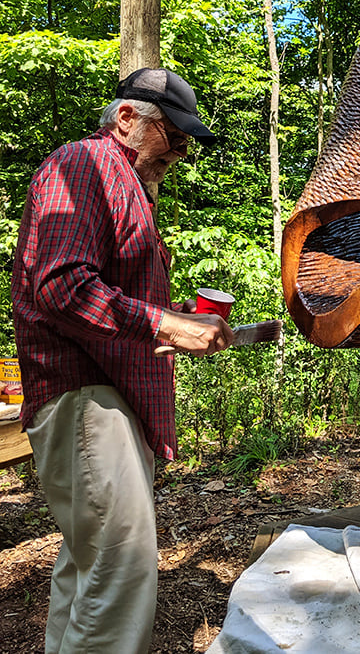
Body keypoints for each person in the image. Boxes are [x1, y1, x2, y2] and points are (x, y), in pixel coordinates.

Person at [11, 67, 233, 654]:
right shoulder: (83, 164)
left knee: (89, 568)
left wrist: (181, 316)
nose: (182, 149)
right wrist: (163, 321)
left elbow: (106, 297)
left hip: (103, 398)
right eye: (174, 132)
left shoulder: (122, 184)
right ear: (128, 117)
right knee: (122, 569)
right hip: (84, 397)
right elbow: (61, 288)